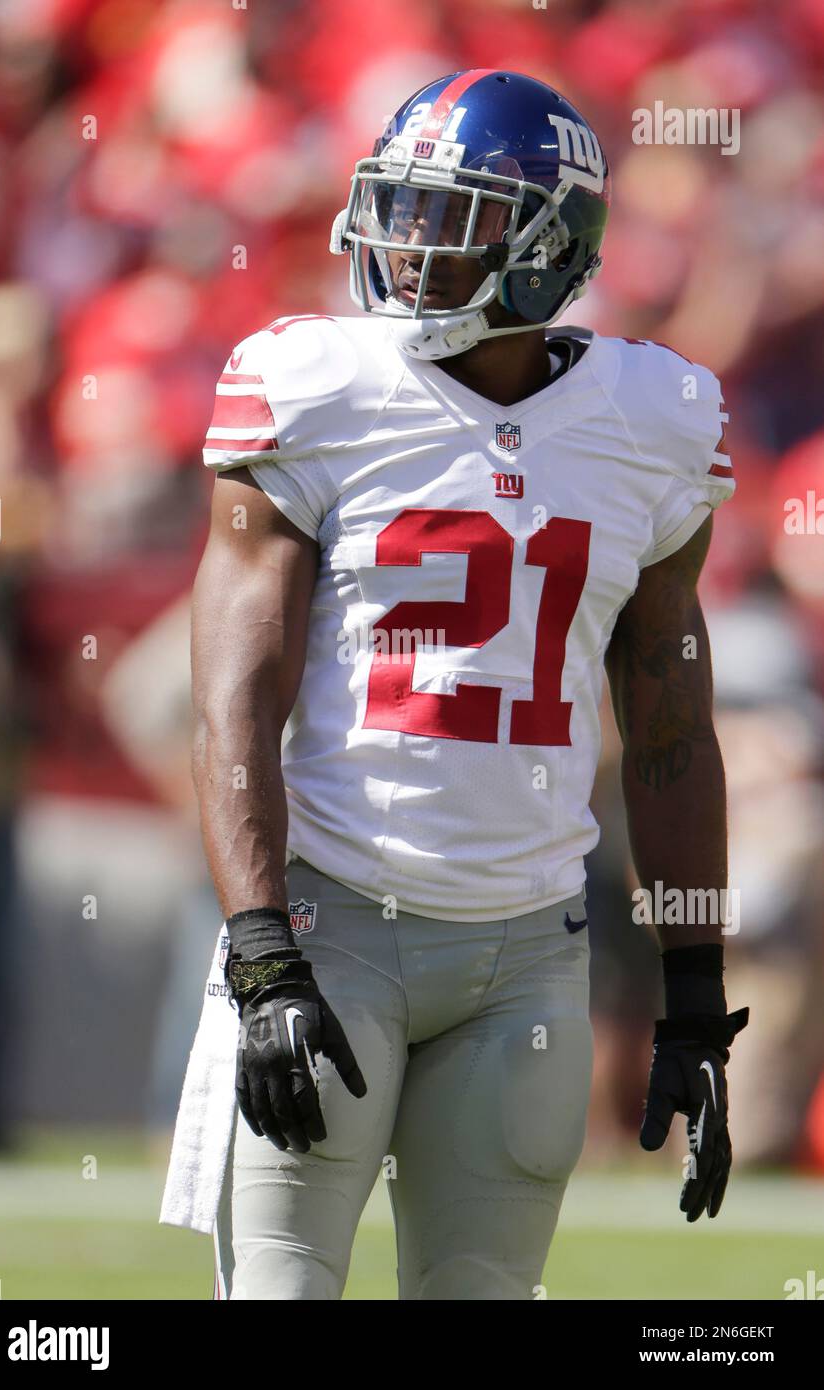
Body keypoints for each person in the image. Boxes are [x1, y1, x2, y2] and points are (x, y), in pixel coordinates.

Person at [160, 68, 749, 1300]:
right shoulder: (315, 384)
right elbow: (233, 703)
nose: (406, 242)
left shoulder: (653, 417)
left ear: (547, 244)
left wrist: (692, 992)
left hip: (526, 951)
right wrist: (262, 947)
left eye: (451, 214)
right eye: (404, 205)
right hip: (330, 926)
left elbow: (670, 732)